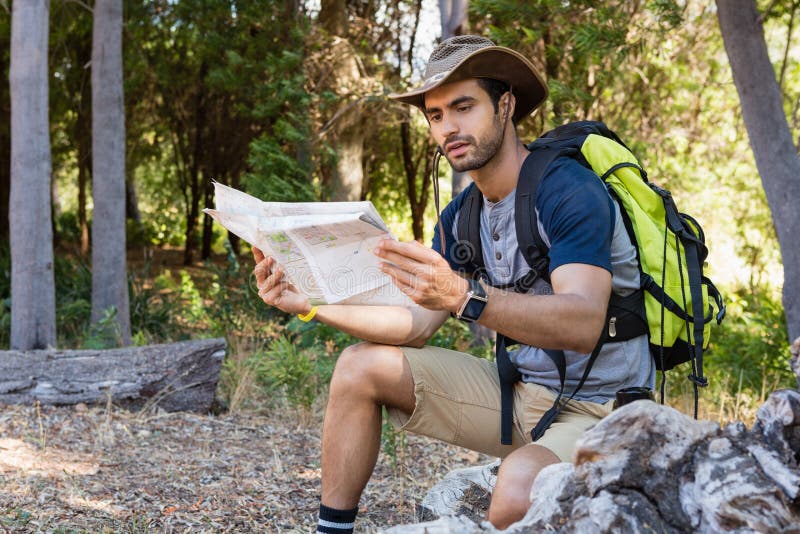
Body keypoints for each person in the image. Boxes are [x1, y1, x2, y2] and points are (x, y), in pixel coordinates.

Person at [253, 35, 654, 532]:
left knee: (514, 494)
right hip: (520, 396)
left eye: (463, 107)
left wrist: (465, 296)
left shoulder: (569, 190)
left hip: (600, 409)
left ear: (505, 105)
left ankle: (532, 467)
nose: (449, 128)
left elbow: (583, 321)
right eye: (436, 115)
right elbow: (416, 324)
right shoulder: (462, 216)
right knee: (359, 367)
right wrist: (308, 303)